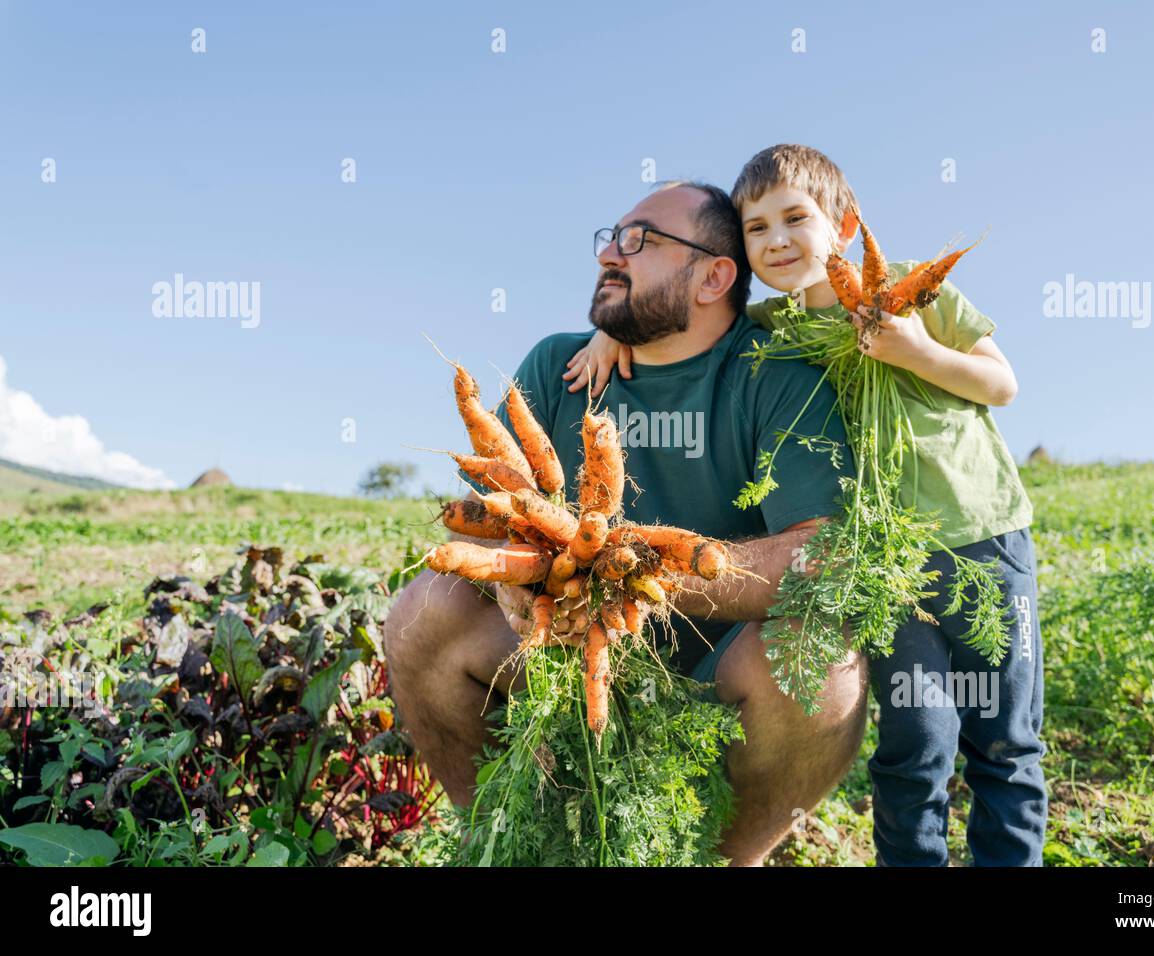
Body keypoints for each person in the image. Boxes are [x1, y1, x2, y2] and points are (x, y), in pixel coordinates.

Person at [566, 145, 1047, 867]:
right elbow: (689, 314)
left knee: (1005, 741)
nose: (776, 240)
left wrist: (915, 352)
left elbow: (1001, 384)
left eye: (795, 218)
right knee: (916, 742)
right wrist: (614, 327)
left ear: (845, 226)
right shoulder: (774, 334)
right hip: (892, 561)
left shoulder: (911, 295)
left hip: (984, 539)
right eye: (756, 228)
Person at [383, 180, 865, 867]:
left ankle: (731, 859)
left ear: (713, 278)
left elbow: (820, 556)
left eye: (640, 241)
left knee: (821, 663)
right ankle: (500, 841)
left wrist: (635, 578)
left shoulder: (778, 374)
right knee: (421, 611)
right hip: (561, 657)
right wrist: (513, 583)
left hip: (722, 675)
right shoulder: (559, 366)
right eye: (611, 237)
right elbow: (476, 528)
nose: (611, 253)